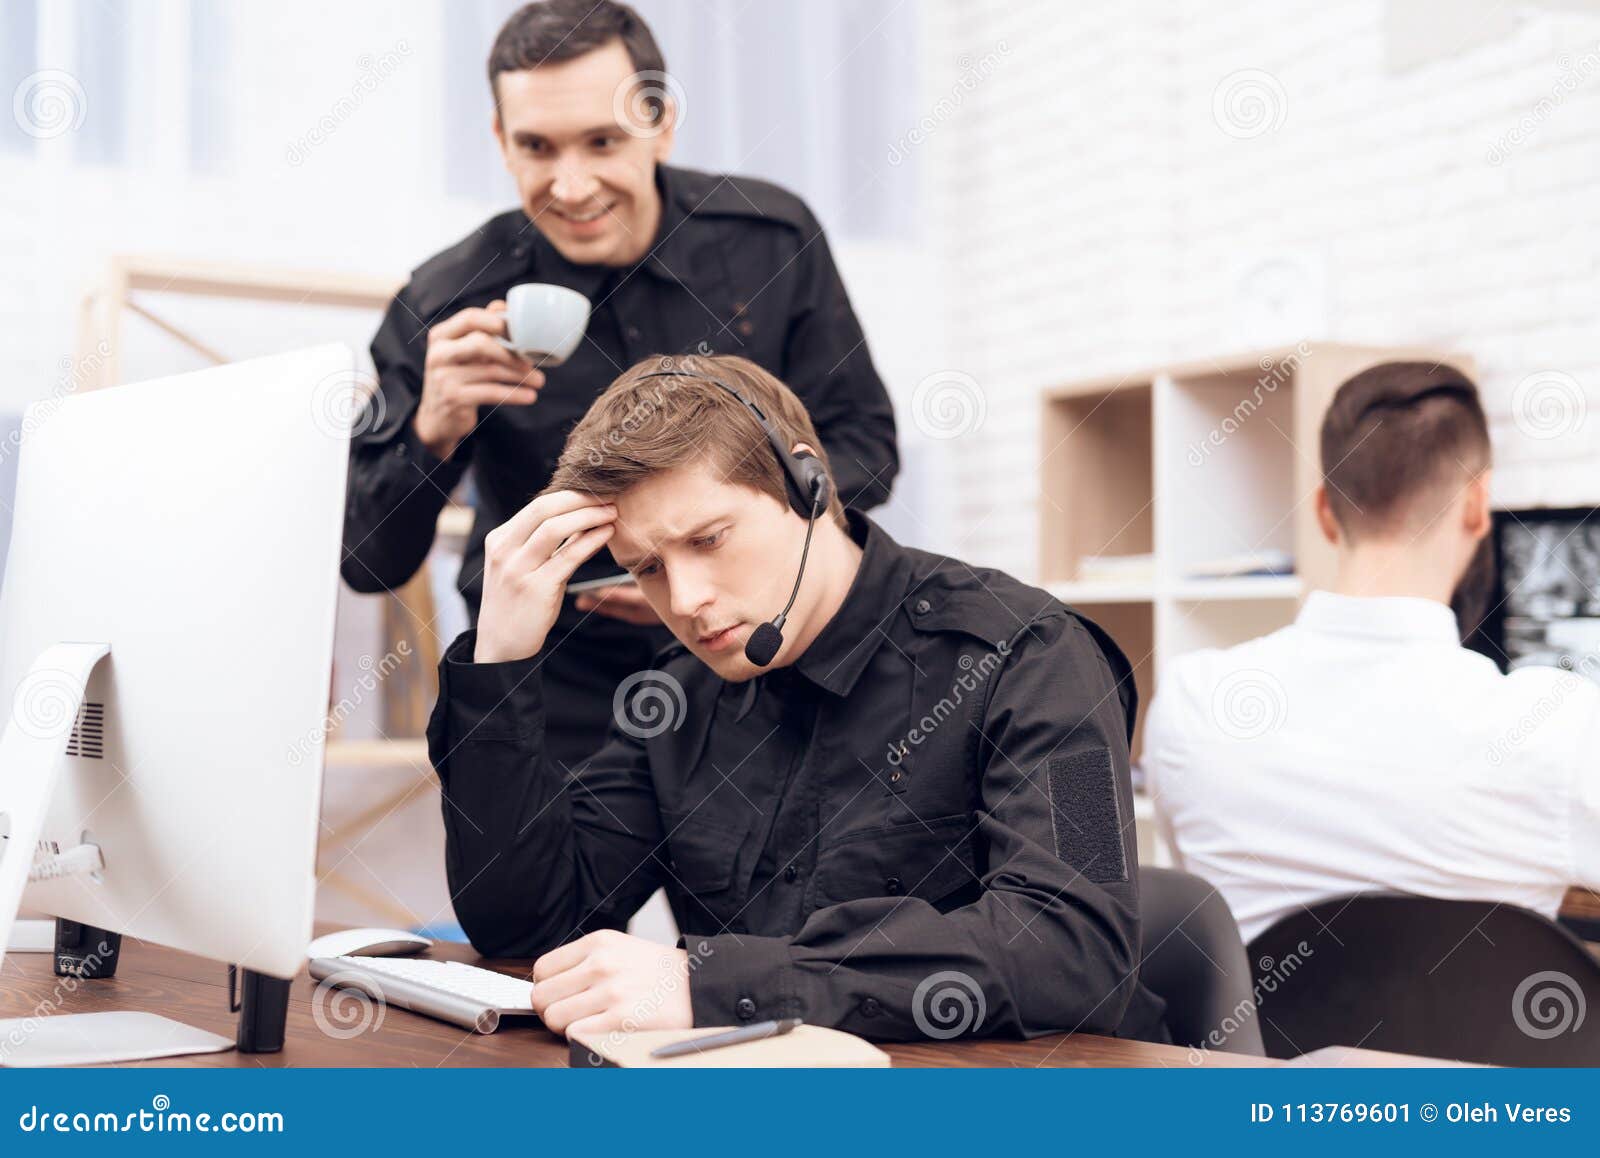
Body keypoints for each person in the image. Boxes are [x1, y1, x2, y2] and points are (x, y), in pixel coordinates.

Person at [425, 353, 1168, 1042]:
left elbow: (1079, 947)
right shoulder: (677, 698)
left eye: (708, 540)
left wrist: (718, 986)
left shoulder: (1037, 654)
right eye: (647, 568)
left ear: (806, 483)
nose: (684, 600)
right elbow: (529, 927)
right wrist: (500, 661)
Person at [343, 0, 898, 770]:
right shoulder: (445, 302)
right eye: (537, 146)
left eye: (602, 141)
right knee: (522, 853)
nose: (571, 187)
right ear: (501, 141)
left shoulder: (770, 240)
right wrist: (430, 430)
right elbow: (367, 562)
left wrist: (698, 561)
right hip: (556, 684)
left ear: (660, 123)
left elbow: (867, 445)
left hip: (758, 654)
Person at [1143, 362, 1600, 944]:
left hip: (1262, 1010)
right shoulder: (1563, 729)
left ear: (1324, 511)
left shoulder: (1192, 702)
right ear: (1476, 503)